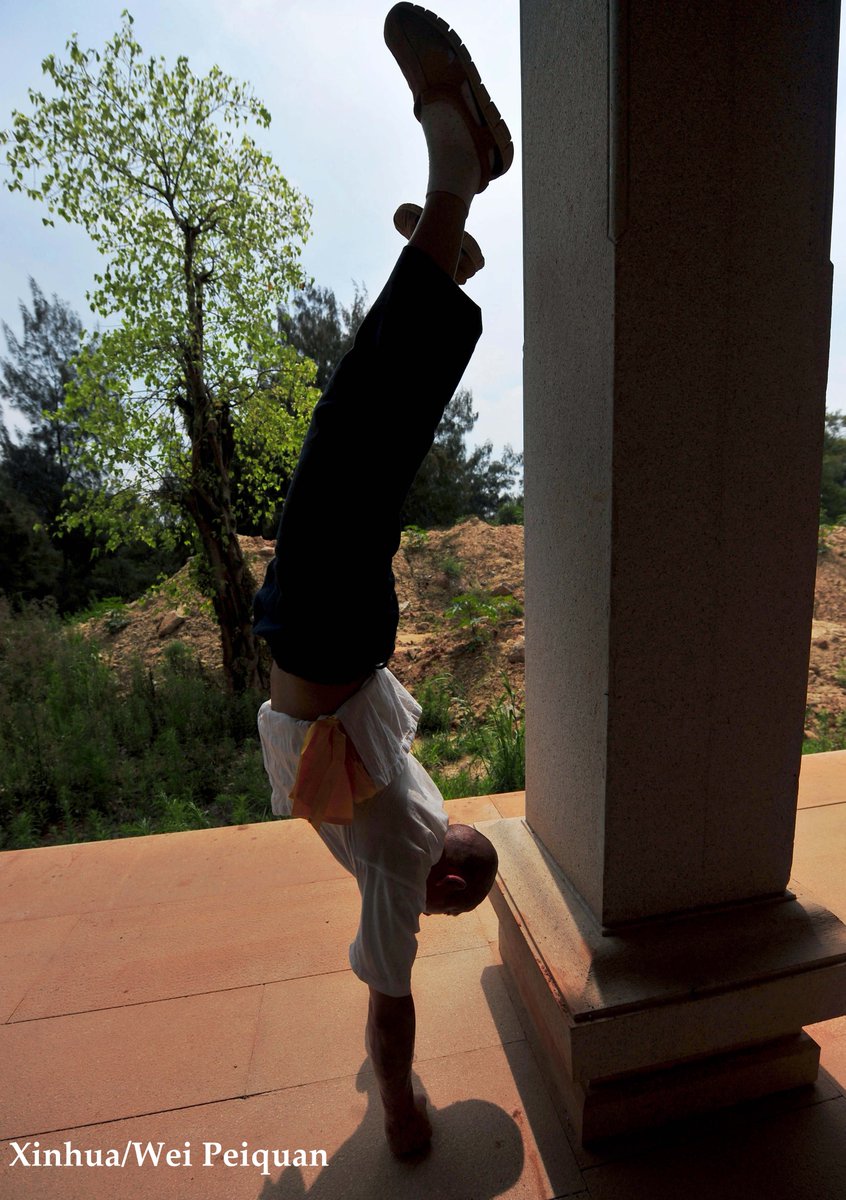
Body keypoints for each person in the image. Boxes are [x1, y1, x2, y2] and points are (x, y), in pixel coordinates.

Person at [254, 2, 512, 1158]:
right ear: (450, 883)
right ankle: (455, 176)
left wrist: (389, 1100)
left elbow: (390, 995)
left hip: (319, 637)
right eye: (448, 895)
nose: (432, 903)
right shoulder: (407, 842)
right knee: (359, 430)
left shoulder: (411, 818)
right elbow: (391, 997)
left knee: (351, 429)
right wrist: (403, 1104)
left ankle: (445, 257)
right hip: (323, 636)